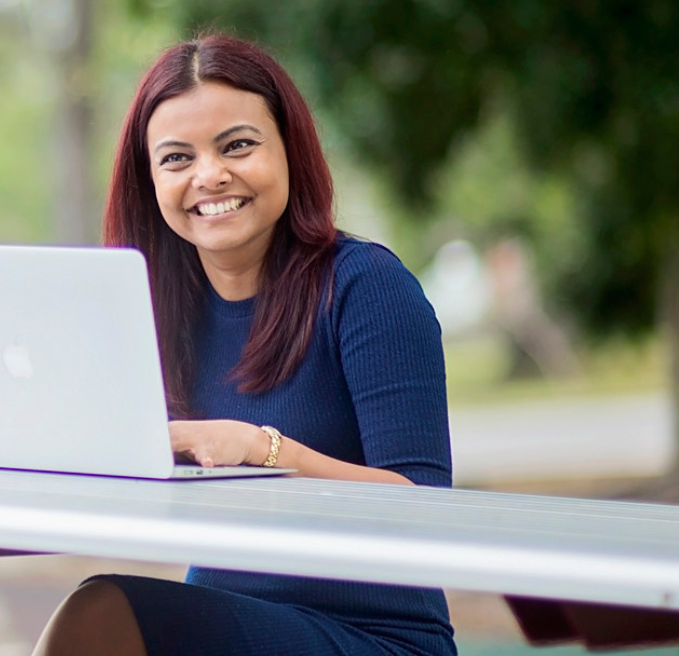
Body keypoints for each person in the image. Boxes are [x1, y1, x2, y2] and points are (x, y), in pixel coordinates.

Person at [32, 34, 455, 656]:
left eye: (237, 146)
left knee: (98, 614)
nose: (210, 176)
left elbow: (429, 516)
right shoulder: (151, 312)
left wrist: (261, 449)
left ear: (290, 150)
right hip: (233, 622)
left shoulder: (367, 288)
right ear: (148, 180)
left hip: (378, 637)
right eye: (177, 159)